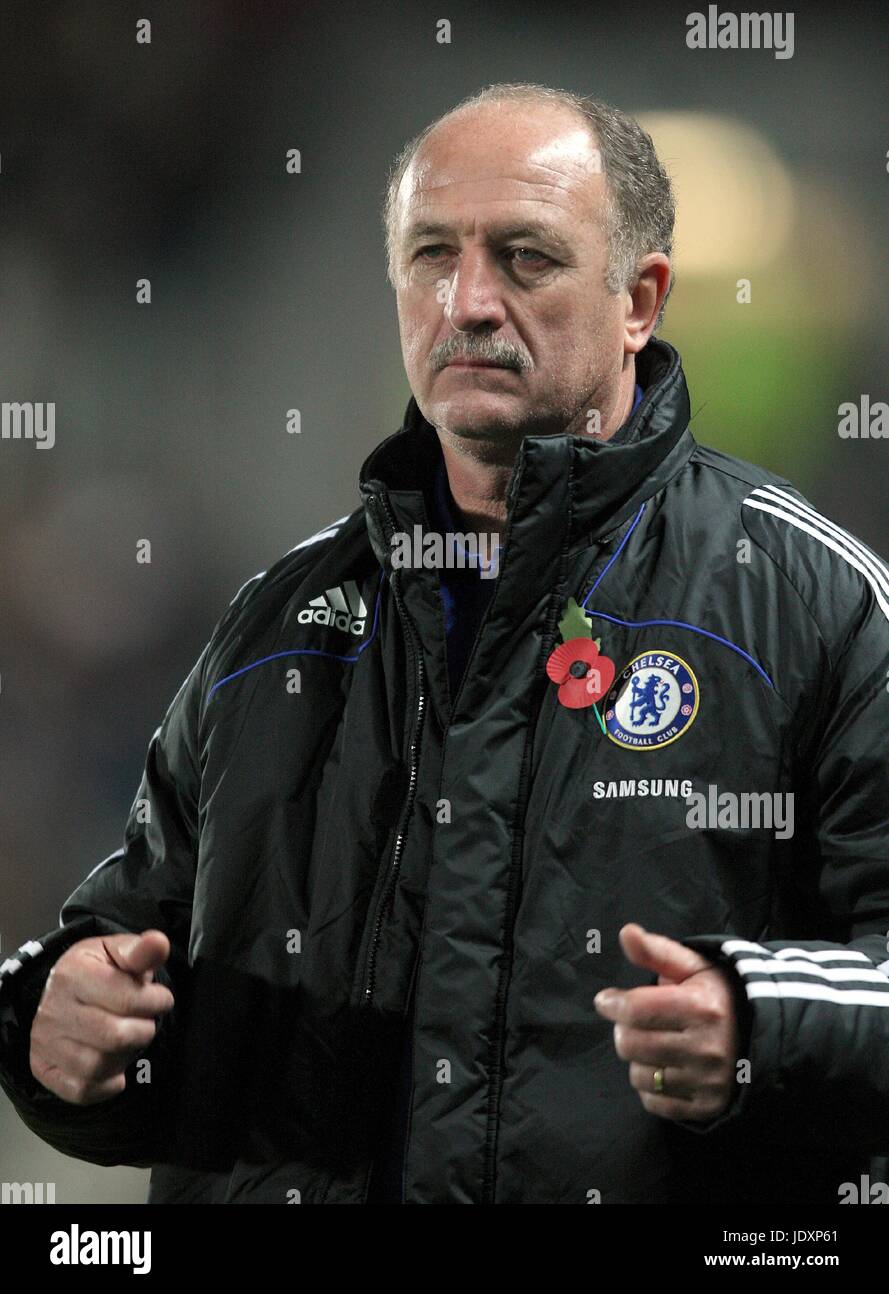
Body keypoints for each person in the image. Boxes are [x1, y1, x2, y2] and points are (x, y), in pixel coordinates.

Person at [2, 82, 888, 1205]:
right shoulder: (274, 627)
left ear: (639, 299)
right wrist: (56, 1026)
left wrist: (763, 1019)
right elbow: (131, 974)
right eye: (431, 255)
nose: (466, 301)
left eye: (523, 258)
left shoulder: (814, 606)